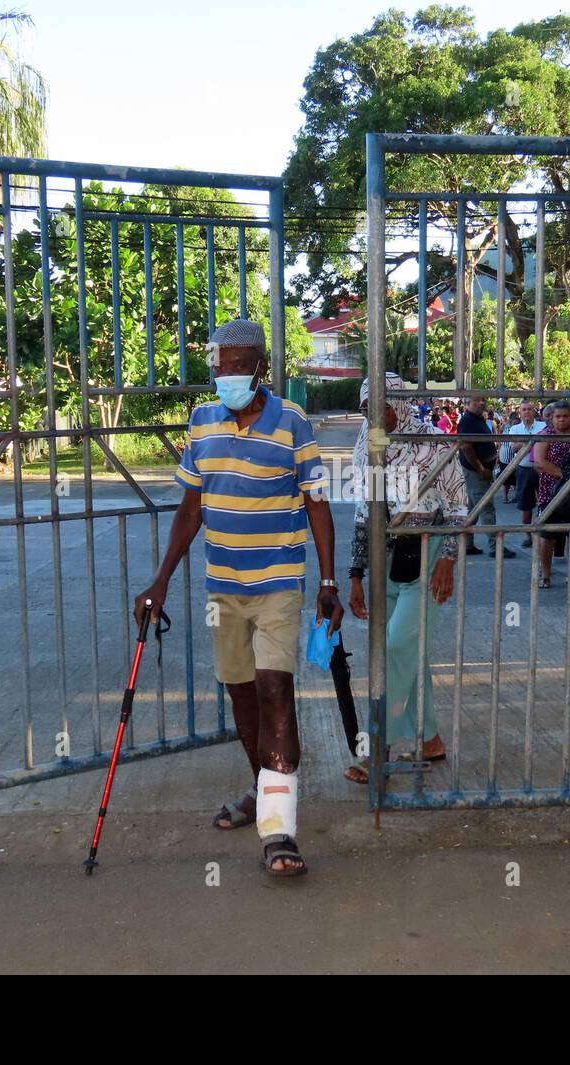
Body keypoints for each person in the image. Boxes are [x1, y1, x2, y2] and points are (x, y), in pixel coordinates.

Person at [134, 320, 343, 878]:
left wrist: (327, 583)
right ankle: (261, 793)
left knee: (276, 690)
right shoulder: (202, 422)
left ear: (261, 369)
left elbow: (317, 505)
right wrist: (160, 580)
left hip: (278, 584)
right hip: (222, 589)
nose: (225, 374)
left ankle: (280, 831)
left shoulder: (293, 423)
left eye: (236, 365)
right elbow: (191, 508)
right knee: (243, 698)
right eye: (219, 364)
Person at [345, 372, 467, 783]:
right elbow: (363, 511)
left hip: (427, 559)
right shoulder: (366, 441)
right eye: (366, 408)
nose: (373, 417)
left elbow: (458, 509)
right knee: (408, 653)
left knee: (396, 647)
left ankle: (376, 745)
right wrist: (356, 574)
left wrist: (448, 560)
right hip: (384, 560)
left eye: (380, 408)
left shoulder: (435, 443)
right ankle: (430, 739)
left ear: (398, 402)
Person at [457, 395, 515, 559]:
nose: (481, 403)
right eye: (476, 400)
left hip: (479, 471)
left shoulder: (477, 419)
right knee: (486, 507)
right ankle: (495, 547)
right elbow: (467, 448)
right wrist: (481, 469)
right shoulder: (467, 421)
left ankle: (466, 544)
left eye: (483, 400)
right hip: (476, 472)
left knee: (473, 509)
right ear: (467, 403)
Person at [531, 401, 570, 588]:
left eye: (565, 416)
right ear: (551, 418)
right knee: (547, 536)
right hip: (550, 492)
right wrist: (565, 475)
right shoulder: (545, 436)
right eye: (558, 416)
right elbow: (539, 462)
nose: (562, 419)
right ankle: (546, 574)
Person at [507, 402, 541, 547]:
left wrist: (525, 443)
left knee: (545, 502)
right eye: (524, 410)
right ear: (520, 412)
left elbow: (545, 446)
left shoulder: (542, 427)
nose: (527, 412)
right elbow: (514, 448)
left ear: (534, 412)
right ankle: (528, 536)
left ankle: (542, 534)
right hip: (524, 469)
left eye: (529, 410)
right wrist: (534, 442)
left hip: (541, 469)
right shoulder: (515, 429)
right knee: (525, 505)